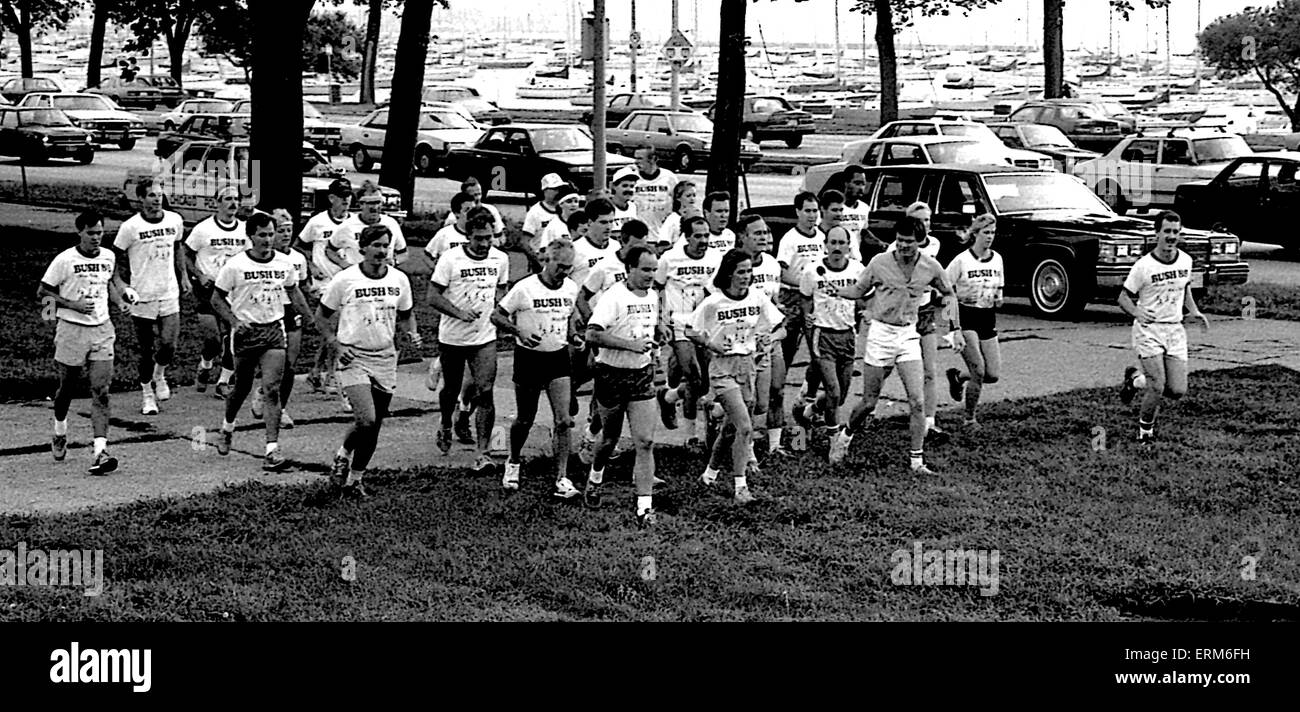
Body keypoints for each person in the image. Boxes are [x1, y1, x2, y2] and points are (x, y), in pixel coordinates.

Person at [841, 217, 957, 475]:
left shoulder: (930, 266)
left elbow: (948, 294)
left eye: (910, 242)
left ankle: (917, 460)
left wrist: (954, 327)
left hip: (908, 335)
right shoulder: (880, 262)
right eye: (900, 241)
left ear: (920, 241)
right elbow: (859, 290)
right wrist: (831, 290)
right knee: (869, 402)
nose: (904, 246)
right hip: (881, 334)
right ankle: (846, 435)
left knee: (917, 401)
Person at [318, 224, 422, 498]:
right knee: (366, 419)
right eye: (375, 245)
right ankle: (342, 454)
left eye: (385, 245)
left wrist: (411, 332)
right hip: (353, 355)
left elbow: (405, 314)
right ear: (362, 249)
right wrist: (336, 345)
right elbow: (322, 317)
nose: (381, 250)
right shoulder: (345, 279)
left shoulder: (399, 279)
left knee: (374, 425)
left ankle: (355, 479)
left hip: (385, 356)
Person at [211, 212, 312, 471]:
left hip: (273, 331)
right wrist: (234, 322)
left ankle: (272, 449)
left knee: (271, 388)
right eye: (262, 235)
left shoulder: (284, 264)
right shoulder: (235, 266)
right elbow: (217, 299)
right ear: (251, 236)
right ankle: (227, 427)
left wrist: (310, 317)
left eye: (271, 234)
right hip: (246, 332)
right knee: (242, 387)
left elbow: (293, 290)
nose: (268, 240)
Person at [41, 209, 133, 475]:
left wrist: (120, 301)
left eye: (100, 232)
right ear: (79, 232)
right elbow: (43, 292)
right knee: (67, 389)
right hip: (72, 330)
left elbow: (111, 282)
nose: (96, 238)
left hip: (102, 330)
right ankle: (60, 430)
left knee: (101, 391)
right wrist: (73, 305)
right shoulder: (64, 260)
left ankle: (100, 451)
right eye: (91, 233)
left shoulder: (109, 256)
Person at [691, 248, 785, 502]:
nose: (746, 276)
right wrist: (711, 345)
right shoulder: (714, 302)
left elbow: (779, 327)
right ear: (729, 273)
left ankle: (709, 474)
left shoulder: (757, 298)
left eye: (749, 271)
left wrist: (769, 338)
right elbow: (691, 330)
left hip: (748, 366)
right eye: (740, 272)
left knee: (730, 430)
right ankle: (740, 486)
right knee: (746, 427)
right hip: (722, 369)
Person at [492, 239, 581, 497]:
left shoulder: (571, 288)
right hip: (529, 357)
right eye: (560, 266)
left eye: (568, 267)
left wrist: (574, 334)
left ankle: (562, 477)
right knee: (525, 418)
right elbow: (497, 315)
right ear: (546, 261)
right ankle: (514, 460)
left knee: (564, 420)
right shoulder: (525, 288)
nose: (563, 272)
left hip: (558, 357)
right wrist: (518, 330)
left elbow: (569, 314)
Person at [584, 244, 665, 526]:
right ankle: (595, 476)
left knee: (645, 441)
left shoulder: (653, 296)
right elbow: (592, 335)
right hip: (610, 374)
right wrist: (631, 345)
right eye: (645, 269)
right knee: (609, 439)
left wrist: (657, 334)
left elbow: (646, 326)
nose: (650, 275)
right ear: (629, 269)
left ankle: (644, 507)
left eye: (654, 269)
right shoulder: (614, 297)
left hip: (641, 374)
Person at [428, 211, 510, 472]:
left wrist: (501, 310)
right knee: (451, 389)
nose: (485, 244)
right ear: (467, 235)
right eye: (479, 239)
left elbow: (502, 290)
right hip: (453, 336)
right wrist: (459, 313)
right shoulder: (450, 259)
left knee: (485, 391)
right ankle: (445, 422)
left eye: (489, 238)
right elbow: (432, 296)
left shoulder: (501, 258)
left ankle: (483, 452)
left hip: (484, 336)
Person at [1117, 210, 1209, 442]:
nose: (1171, 236)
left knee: (1176, 391)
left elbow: (1184, 287)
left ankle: (1135, 379)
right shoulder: (1143, 266)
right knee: (1157, 386)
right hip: (1149, 331)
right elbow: (1123, 298)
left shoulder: (1186, 260)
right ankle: (1145, 433)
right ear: (1156, 232)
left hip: (1175, 330)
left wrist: (1194, 311)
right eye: (1166, 231)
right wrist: (1137, 312)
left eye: (1176, 232)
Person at [113, 177, 188, 416]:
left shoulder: (175, 220)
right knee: (146, 349)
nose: (157, 200)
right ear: (141, 199)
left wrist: (183, 275)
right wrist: (121, 286)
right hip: (142, 295)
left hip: (168, 291)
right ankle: (147, 394)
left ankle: (159, 375)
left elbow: (178, 247)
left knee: (168, 344)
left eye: (159, 195)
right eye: (151, 196)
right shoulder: (130, 227)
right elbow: (114, 258)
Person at [794, 226, 867, 463]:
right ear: (825, 244)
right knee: (833, 390)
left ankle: (808, 411)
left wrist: (864, 314)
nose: (836, 247)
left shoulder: (858, 269)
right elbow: (805, 298)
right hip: (822, 335)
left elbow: (864, 297)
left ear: (849, 246)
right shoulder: (813, 271)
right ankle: (834, 442)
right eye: (832, 242)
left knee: (842, 394)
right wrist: (808, 324)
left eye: (841, 243)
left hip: (847, 336)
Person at [884, 201, 949, 444]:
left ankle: (929, 424)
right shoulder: (896, 248)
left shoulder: (935, 244)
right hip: (900, 316)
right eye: (921, 221)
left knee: (930, 370)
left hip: (926, 311)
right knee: (886, 370)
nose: (926, 225)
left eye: (929, 220)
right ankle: (866, 411)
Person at [655, 216, 721, 443]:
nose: (703, 240)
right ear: (686, 236)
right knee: (693, 375)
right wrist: (660, 320)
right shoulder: (670, 258)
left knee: (703, 382)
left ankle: (669, 396)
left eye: (706, 235)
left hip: (704, 324)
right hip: (679, 322)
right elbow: (656, 288)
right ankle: (690, 436)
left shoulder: (715, 257)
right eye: (698, 236)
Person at [730, 214, 787, 456]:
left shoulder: (772, 264)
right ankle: (746, 449)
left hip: (770, 336)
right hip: (743, 342)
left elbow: (775, 302)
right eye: (757, 233)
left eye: (765, 232)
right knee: (750, 399)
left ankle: (777, 445)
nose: (763, 237)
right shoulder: (732, 263)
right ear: (743, 237)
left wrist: (774, 333)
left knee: (777, 390)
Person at [184, 186, 247, 397]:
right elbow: (186, 254)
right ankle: (206, 363)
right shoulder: (203, 229)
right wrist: (199, 275)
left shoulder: (244, 230)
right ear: (217, 203)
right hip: (208, 290)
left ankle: (224, 381)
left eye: (237, 199)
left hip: (233, 291)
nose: (233, 203)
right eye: (228, 199)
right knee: (212, 340)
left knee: (233, 336)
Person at [945, 214, 1005, 430]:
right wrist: (954, 326)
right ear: (975, 234)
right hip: (965, 317)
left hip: (987, 317)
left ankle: (958, 377)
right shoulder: (961, 260)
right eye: (985, 232)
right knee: (978, 370)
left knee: (992, 374)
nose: (989, 237)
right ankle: (969, 419)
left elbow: (999, 287)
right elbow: (946, 292)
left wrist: (998, 297)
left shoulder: (997, 258)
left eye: (993, 233)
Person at [297, 178, 355, 398]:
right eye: (341, 196)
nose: (346, 200)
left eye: (348, 196)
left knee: (331, 331)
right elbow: (299, 247)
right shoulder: (317, 222)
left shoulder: (354, 223)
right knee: (335, 327)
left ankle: (315, 370)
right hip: (324, 284)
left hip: (347, 282)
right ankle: (330, 374)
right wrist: (311, 266)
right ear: (331, 198)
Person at [776, 191, 825, 376]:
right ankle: (778, 389)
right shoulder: (790, 239)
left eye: (815, 211)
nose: (812, 216)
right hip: (792, 298)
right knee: (787, 348)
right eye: (807, 211)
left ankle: (808, 392)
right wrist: (804, 283)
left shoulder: (821, 237)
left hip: (814, 299)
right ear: (798, 212)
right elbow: (781, 272)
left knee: (818, 350)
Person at [272, 208, 311, 429]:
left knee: (289, 365)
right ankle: (263, 393)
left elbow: (301, 287)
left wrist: (307, 313)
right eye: (280, 230)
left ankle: (281, 409)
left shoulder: (298, 258)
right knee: (271, 365)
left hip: (291, 312)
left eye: (289, 230)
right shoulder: (264, 257)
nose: (285, 235)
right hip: (269, 312)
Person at [344, 181, 409, 268]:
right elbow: (330, 250)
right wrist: (345, 266)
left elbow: (403, 253)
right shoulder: (347, 225)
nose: (374, 207)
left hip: (383, 277)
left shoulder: (391, 224)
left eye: (377, 202)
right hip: (356, 278)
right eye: (370, 203)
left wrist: (394, 262)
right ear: (360, 204)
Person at [626, 145, 678, 244]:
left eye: (640, 158)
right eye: (635, 158)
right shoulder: (632, 178)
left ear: (653, 159)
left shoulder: (669, 178)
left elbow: (678, 206)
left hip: (662, 237)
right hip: (639, 238)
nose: (636, 162)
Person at [442, 176, 506, 242]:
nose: (478, 198)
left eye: (479, 194)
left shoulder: (492, 210)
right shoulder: (453, 217)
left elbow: (499, 236)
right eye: (474, 195)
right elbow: (445, 237)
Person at [522, 173, 567, 247]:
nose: (558, 191)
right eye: (554, 189)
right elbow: (526, 241)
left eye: (559, 188)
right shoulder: (535, 212)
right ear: (545, 190)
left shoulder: (565, 208)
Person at [536, 185, 584, 254]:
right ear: (561, 204)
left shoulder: (584, 223)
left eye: (576, 201)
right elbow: (544, 249)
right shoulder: (553, 226)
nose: (573, 205)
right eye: (569, 201)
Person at [659, 180, 699, 249]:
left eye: (694, 195)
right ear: (678, 198)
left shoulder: (699, 216)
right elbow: (663, 242)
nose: (692, 199)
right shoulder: (673, 218)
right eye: (688, 196)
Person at [702, 190, 736, 256]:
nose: (723, 215)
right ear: (707, 213)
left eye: (726, 211)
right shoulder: (698, 236)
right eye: (719, 211)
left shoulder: (730, 235)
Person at [608, 170, 640, 238]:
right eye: (625, 186)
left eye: (632, 186)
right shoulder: (605, 206)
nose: (629, 189)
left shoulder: (633, 207)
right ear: (614, 186)